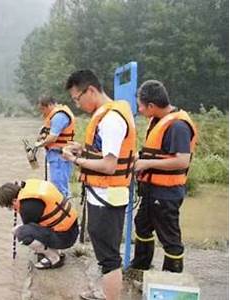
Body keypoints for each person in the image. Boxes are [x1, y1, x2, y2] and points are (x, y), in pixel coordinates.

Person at [61, 70, 136, 300]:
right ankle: (105, 293)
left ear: (90, 90)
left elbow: (109, 165)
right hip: (102, 195)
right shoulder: (107, 115)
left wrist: (75, 160)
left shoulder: (112, 119)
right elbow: (102, 153)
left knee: (109, 259)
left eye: (76, 98)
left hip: (107, 196)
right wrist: (82, 150)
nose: (76, 104)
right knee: (105, 252)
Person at [129, 80, 197, 273]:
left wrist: (147, 163)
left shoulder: (178, 126)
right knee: (142, 225)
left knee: (170, 238)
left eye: (140, 105)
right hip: (151, 190)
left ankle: (172, 278)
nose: (139, 109)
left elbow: (182, 161)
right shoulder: (158, 119)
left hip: (166, 193)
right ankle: (141, 266)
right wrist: (140, 158)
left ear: (151, 105)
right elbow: (157, 152)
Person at [0, 178, 79, 269]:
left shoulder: (27, 207)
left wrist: (17, 230)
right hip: (72, 228)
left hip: (66, 238)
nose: (13, 209)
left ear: (14, 201)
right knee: (28, 230)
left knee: (22, 234)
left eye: (10, 207)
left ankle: (54, 258)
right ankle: (56, 252)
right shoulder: (29, 188)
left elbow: (29, 230)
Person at [33, 95, 76, 197]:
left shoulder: (59, 116)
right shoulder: (55, 115)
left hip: (60, 157)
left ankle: (64, 210)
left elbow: (53, 137)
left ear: (50, 105)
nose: (43, 112)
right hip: (56, 156)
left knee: (60, 188)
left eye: (43, 109)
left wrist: (38, 145)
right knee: (57, 186)